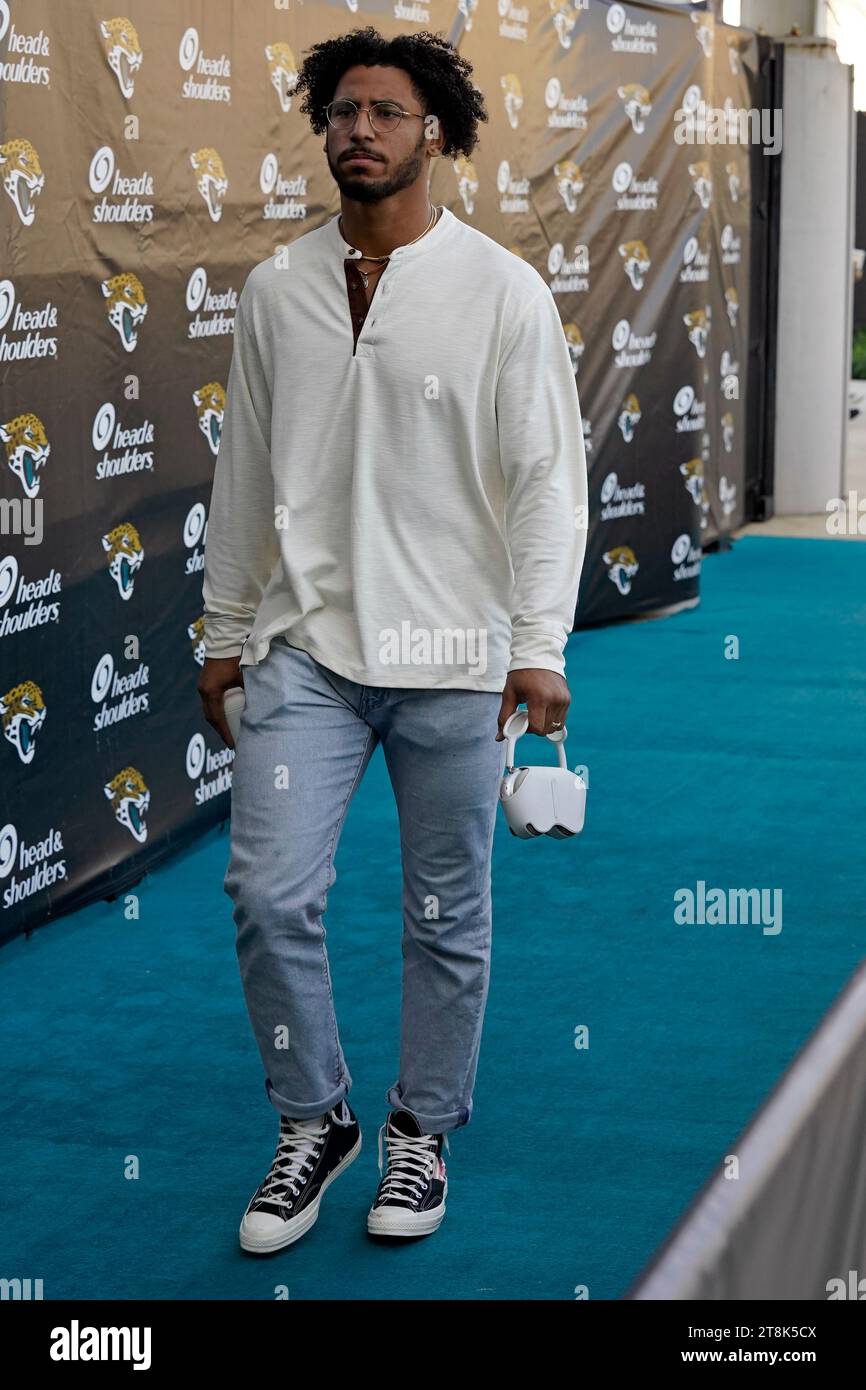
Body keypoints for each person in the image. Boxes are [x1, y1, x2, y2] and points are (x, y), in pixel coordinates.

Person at [198, 25, 588, 1254]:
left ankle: (419, 1128)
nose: (358, 130)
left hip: (457, 657)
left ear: (437, 134)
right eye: (341, 111)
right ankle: (315, 1117)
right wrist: (222, 630)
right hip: (305, 649)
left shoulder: (501, 293)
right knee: (267, 893)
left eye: (385, 112)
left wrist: (540, 644)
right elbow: (245, 471)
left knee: (444, 913)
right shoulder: (275, 288)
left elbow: (544, 484)